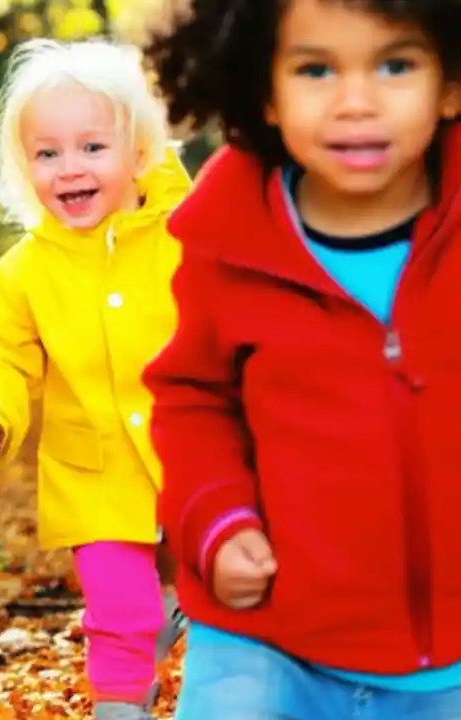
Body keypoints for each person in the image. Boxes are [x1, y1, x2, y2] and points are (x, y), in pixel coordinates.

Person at [143, 0, 461, 716]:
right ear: (265, 91)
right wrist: (218, 519)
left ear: (450, 84)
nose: (356, 102)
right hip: (269, 644)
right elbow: (192, 402)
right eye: (316, 69)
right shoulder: (227, 246)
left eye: (395, 65)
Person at [0, 38, 191, 720]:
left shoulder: (191, 236)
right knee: (118, 609)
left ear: (139, 149)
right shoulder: (26, 270)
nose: (69, 168)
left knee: (217, 595)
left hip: (198, 460)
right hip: (97, 477)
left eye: (92, 147)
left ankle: (201, 656)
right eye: (47, 153)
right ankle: (121, 703)